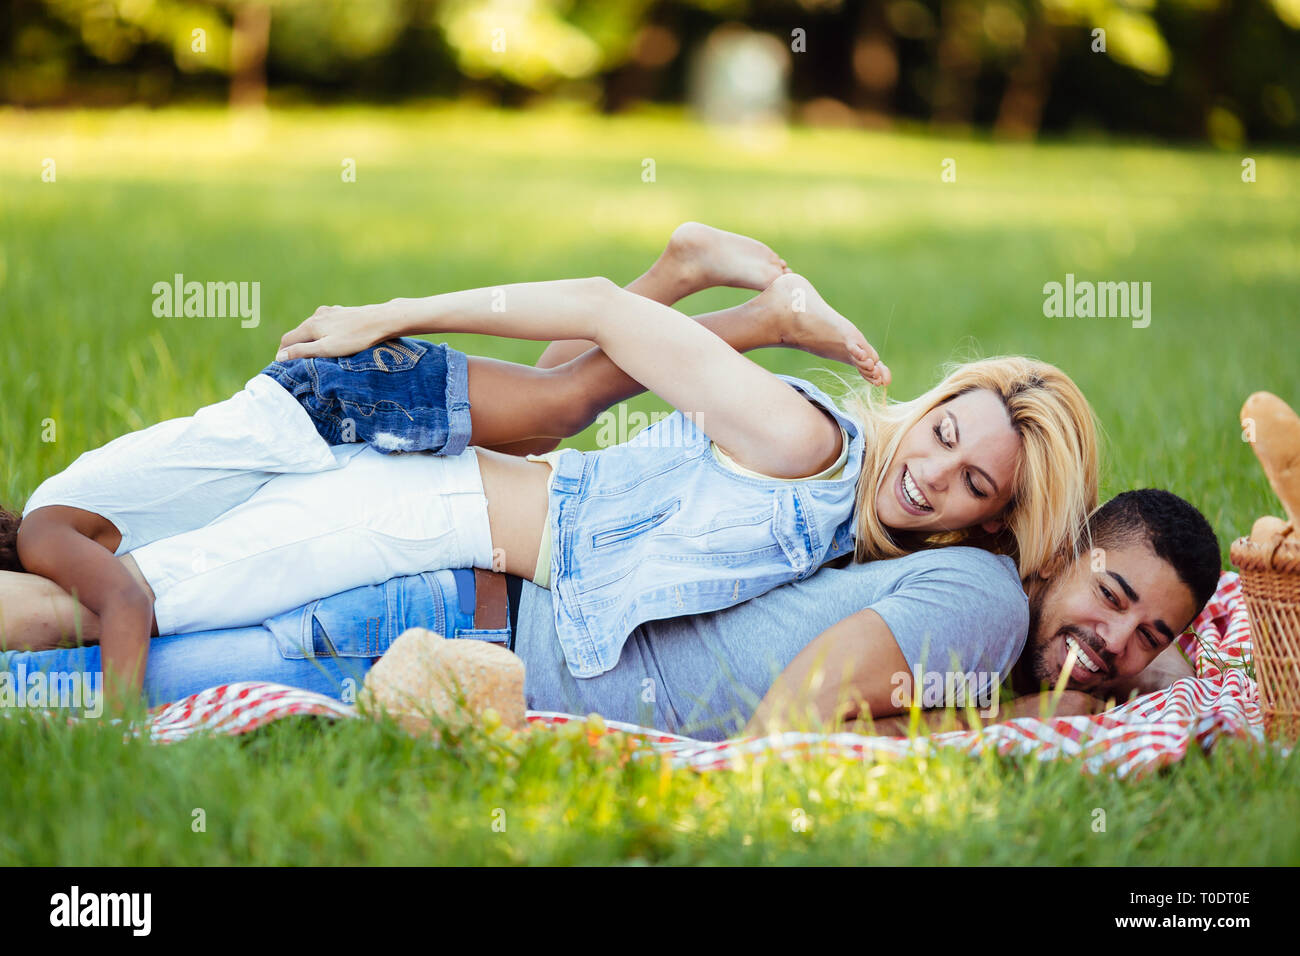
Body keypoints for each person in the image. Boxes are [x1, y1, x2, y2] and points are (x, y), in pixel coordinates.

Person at [10, 221, 1098, 708]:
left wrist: (1124, 647)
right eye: (946, 434)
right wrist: (383, 312)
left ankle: (698, 269)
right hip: (416, 514)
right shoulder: (813, 449)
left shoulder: (838, 495)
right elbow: (592, 310)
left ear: (985, 521)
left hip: (457, 507)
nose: (934, 475)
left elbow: (617, 362)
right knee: (138, 597)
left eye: (972, 486)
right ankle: (710, 275)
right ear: (932, 403)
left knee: (559, 400)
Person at [1, 490, 1221, 741]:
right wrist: (1005, 712)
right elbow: (793, 730)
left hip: (464, 631)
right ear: (1059, 554)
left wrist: (1141, 671)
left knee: (100, 633)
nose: (1112, 646)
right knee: (73, 686)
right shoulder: (979, 610)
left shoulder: (1004, 639)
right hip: (449, 636)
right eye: (1111, 598)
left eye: (1149, 635)